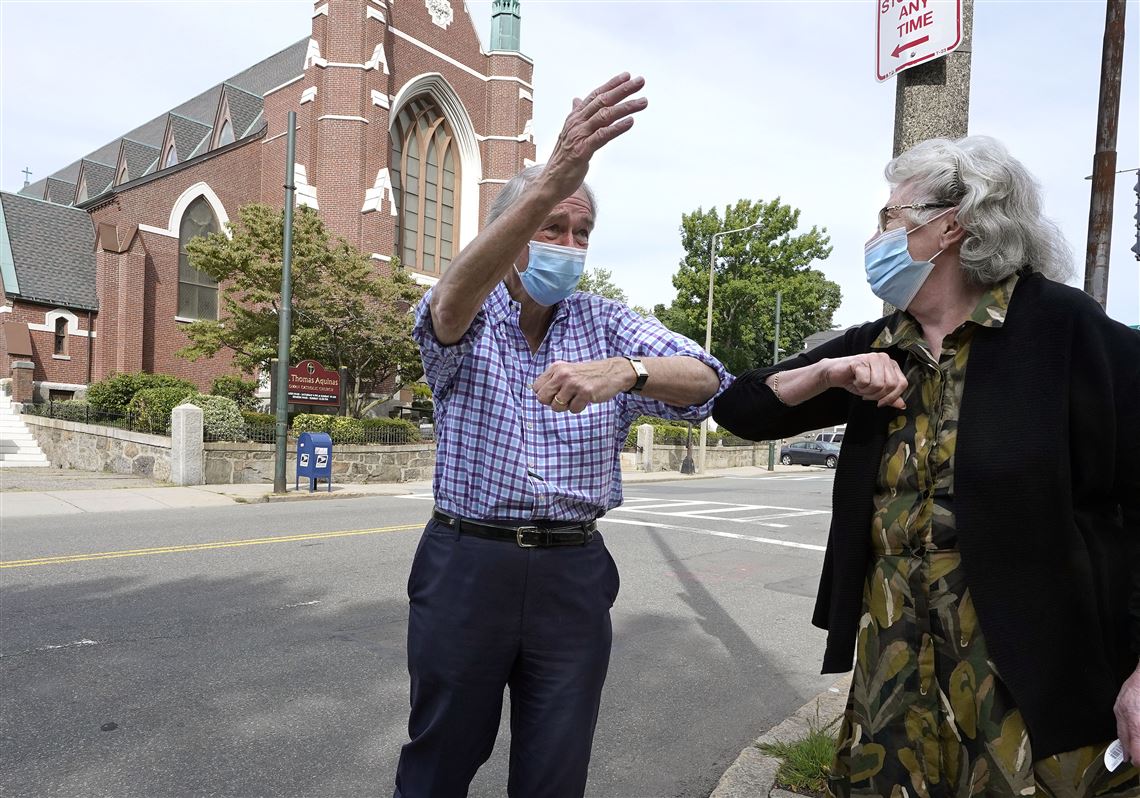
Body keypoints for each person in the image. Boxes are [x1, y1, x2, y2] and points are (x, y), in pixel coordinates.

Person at [713, 135, 1140, 797]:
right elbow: (739, 408)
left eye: (890, 217)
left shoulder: (1063, 330)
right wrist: (827, 371)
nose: (877, 235)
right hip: (896, 684)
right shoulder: (881, 345)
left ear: (952, 225)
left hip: (1029, 692)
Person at [394, 73, 730, 798]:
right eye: (552, 226)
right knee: (440, 757)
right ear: (512, 233)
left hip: (571, 573)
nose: (568, 244)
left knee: (556, 768)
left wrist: (628, 372)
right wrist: (550, 182)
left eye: (581, 232)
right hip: (467, 564)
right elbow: (448, 303)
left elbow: (709, 379)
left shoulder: (603, 319)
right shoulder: (471, 312)